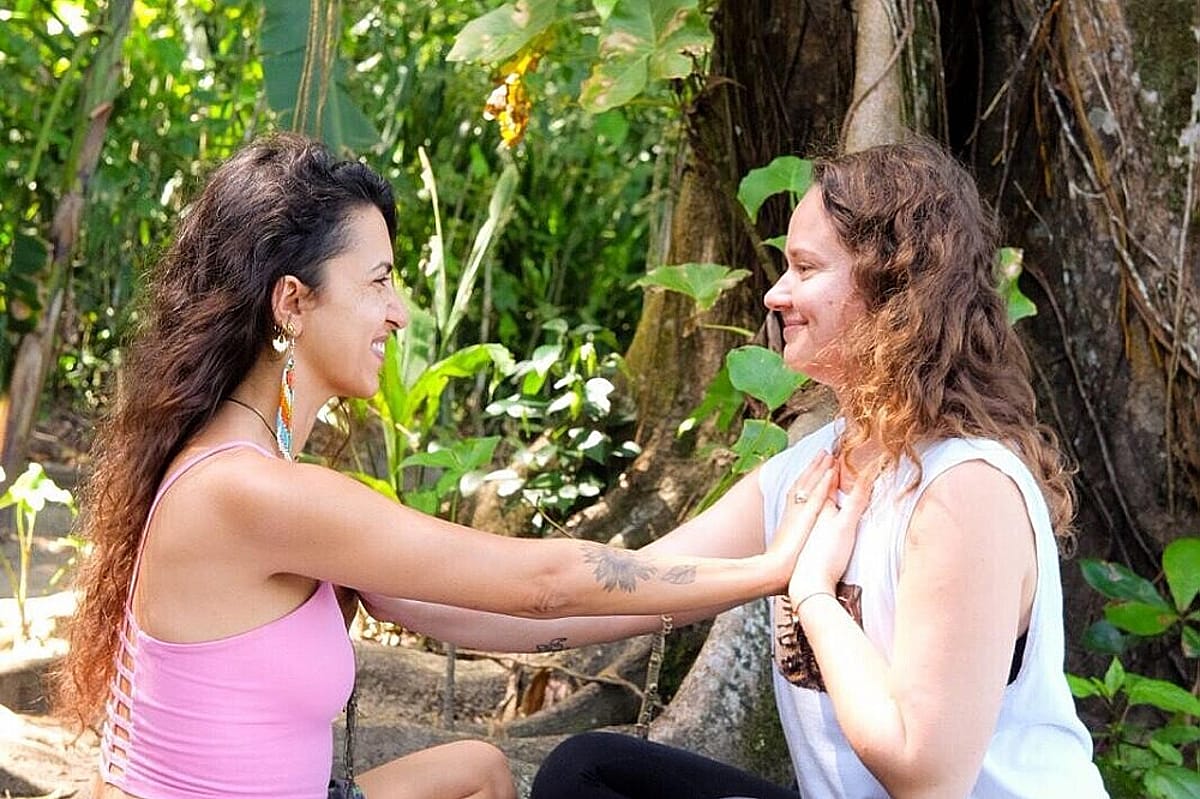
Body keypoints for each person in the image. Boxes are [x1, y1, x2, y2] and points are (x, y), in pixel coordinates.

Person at [51, 133, 818, 799]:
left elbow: (509, 610)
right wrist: (770, 570)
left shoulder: (247, 470)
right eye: (378, 280)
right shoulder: (249, 490)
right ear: (292, 302)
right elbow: (543, 585)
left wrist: (723, 562)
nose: (398, 311)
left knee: (477, 770)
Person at [363, 139, 1109, 798]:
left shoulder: (964, 488)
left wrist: (810, 592)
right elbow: (605, 595)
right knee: (589, 774)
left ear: (895, 287)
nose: (776, 294)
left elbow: (927, 775)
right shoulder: (808, 473)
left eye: (805, 268)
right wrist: (380, 582)